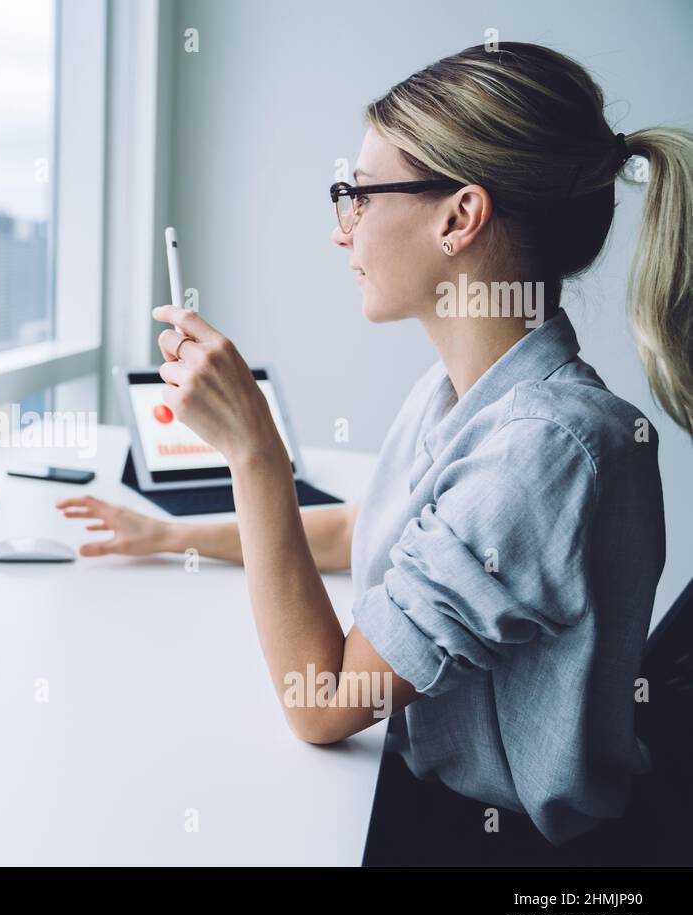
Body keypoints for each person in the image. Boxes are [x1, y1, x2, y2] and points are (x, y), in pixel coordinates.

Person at [57, 42, 692, 851]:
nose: (341, 228)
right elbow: (367, 533)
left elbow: (319, 700)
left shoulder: (546, 449)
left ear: (459, 217)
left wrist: (255, 453)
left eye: (357, 194)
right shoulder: (461, 395)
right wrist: (171, 535)